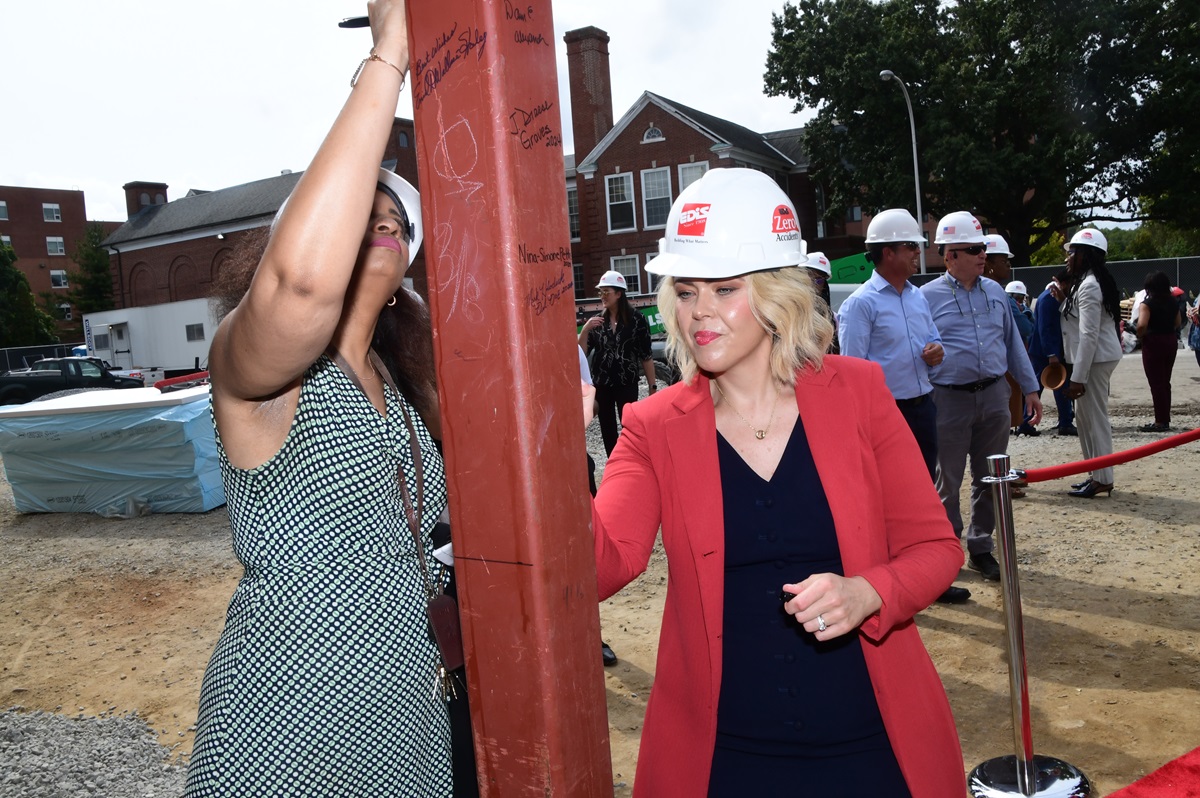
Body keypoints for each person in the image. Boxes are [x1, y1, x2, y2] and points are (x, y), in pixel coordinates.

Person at [586, 168, 966, 797]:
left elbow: (937, 548)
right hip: (726, 758)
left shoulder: (861, 393)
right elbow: (601, 567)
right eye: (684, 291)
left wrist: (869, 591)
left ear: (775, 294)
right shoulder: (652, 426)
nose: (698, 312)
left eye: (724, 289)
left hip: (869, 747)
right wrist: (556, 461)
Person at [185, 4, 459, 795]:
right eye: (359, 212)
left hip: (407, 710)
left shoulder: (408, 393)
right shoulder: (258, 373)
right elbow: (304, 286)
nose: (381, 217)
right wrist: (391, 55)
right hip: (291, 713)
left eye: (394, 217)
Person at [837, 209, 968, 605]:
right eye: (912, 246)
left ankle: (924, 576)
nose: (918, 253)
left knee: (921, 496)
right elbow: (852, 371)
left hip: (921, 407)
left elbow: (934, 344)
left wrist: (936, 352)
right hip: (884, 416)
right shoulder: (861, 305)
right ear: (887, 252)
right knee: (882, 499)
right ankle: (885, 581)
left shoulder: (916, 297)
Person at [921, 212, 1042, 582]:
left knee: (990, 478)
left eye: (983, 248)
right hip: (948, 400)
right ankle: (946, 554)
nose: (982, 255)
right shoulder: (925, 298)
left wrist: (1032, 389)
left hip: (994, 397)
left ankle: (981, 547)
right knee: (948, 482)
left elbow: (1013, 346)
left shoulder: (996, 294)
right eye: (972, 249)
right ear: (949, 256)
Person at [1061, 227, 1124, 498]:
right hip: (1094, 358)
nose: (1067, 257)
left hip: (1095, 360)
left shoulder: (1089, 285)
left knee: (1095, 418)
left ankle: (1102, 477)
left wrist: (1078, 377)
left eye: (1073, 251)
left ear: (1086, 255)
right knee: (1085, 418)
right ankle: (1095, 473)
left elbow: (1088, 335)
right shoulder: (1089, 281)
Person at [579, 270, 657, 456]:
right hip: (602, 384)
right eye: (601, 292)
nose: (602, 296)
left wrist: (652, 386)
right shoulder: (597, 322)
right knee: (607, 429)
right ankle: (613, 465)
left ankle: (631, 461)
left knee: (629, 426)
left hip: (626, 383)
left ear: (619, 293)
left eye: (607, 291)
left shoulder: (637, 320)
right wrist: (585, 331)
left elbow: (646, 355)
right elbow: (582, 353)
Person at [578, 343, 620, 667]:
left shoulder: (569, 350)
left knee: (582, 556)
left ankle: (592, 634)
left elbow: (585, 403)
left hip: (571, 464)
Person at [1028, 271, 1077, 436]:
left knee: (1039, 386)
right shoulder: (1050, 299)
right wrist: (1052, 354)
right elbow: (1046, 328)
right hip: (1046, 351)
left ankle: (1026, 422)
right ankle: (1064, 422)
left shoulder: (1046, 296)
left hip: (1044, 350)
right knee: (1051, 386)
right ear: (1063, 283)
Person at [1135, 271, 1183, 432]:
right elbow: (1178, 322)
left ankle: (1160, 421)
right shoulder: (1173, 301)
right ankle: (1165, 417)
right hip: (1170, 340)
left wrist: (1139, 335)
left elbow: (1141, 325)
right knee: (1165, 381)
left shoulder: (1147, 304)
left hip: (1153, 342)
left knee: (1156, 383)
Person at [805, 251, 839, 353]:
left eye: (819, 280)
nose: (813, 284)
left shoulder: (833, 320)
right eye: (809, 277)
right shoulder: (786, 314)